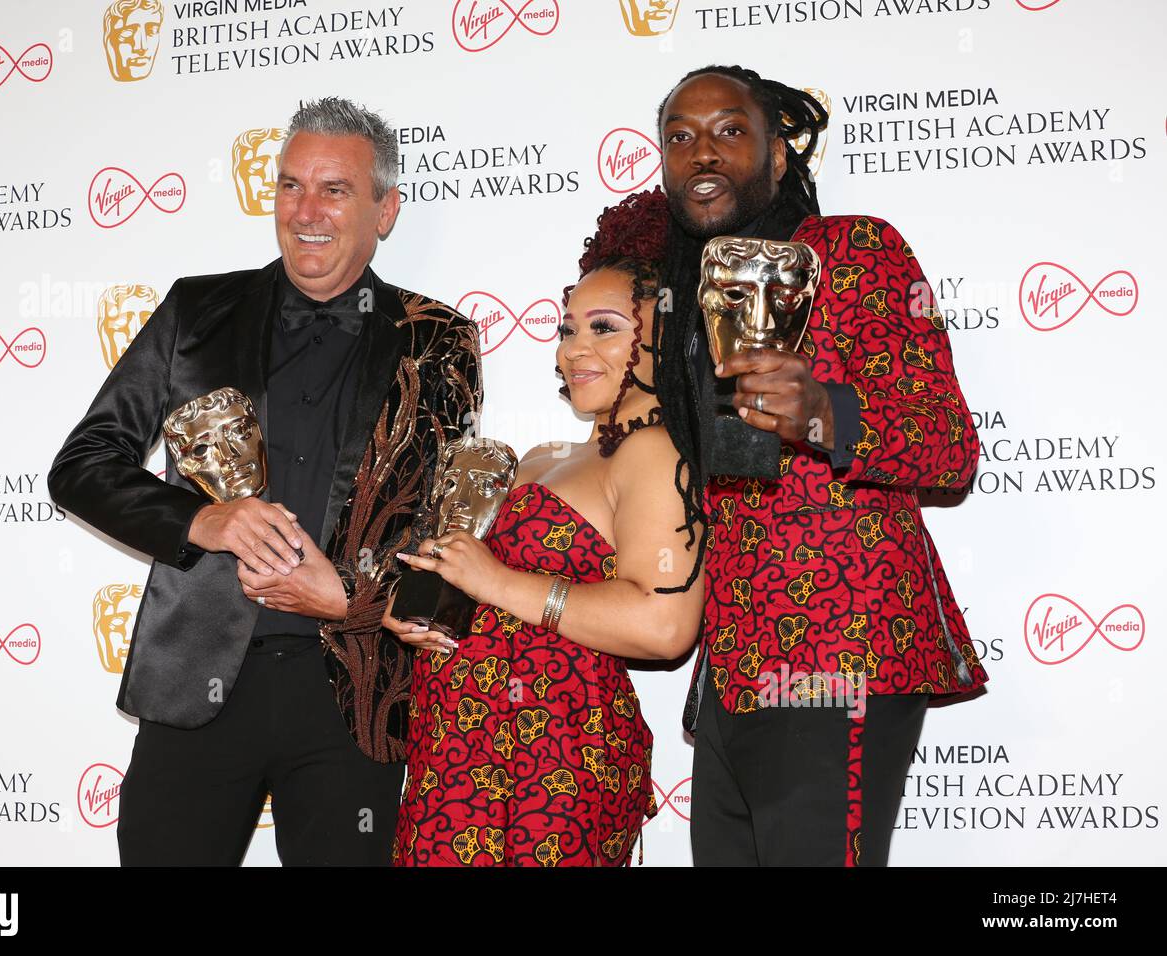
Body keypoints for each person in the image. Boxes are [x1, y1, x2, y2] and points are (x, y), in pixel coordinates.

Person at [48, 97, 481, 866]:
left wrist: (351, 597)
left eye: (334, 190)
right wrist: (201, 521)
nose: (306, 211)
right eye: (289, 186)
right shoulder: (196, 311)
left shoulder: (438, 340)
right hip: (199, 685)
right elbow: (83, 466)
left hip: (353, 698)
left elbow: (449, 540)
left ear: (386, 209)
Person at [644, 66, 989, 866]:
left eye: (731, 130)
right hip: (730, 674)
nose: (703, 151)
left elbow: (950, 445)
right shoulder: (683, 296)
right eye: (680, 135)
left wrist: (828, 414)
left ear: (777, 157)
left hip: (837, 657)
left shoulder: (853, 251)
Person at [382, 191, 704, 866]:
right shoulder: (545, 457)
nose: (574, 350)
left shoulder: (654, 450)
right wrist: (429, 608)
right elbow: (489, 595)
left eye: (605, 328)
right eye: (567, 329)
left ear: (664, 336)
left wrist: (495, 580)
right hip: (460, 751)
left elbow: (663, 625)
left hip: (552, 761)